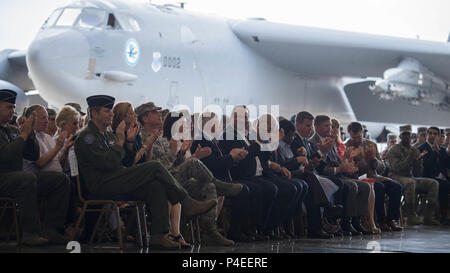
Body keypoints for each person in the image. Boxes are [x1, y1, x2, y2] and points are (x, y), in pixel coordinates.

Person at [74, 95, 217, 250]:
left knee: (156, 185)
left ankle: (159, 235)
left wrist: (128, 142)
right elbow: (107, 164)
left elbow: (126, 163)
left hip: (116, 179)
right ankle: (187, 202)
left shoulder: (107, 134)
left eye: (111, 111)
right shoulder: (87, 136)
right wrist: (121, 142)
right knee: (154, 166)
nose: (111, 114)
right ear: (94, 113)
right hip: (101, 184)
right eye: (107, 111)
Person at [136, 102, 240, 246]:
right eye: (155, 112)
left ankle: (211, 233)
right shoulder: (142, 138)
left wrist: (181, 153)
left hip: (175, 179)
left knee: (209, 186)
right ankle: (219, 185)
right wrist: (175, 153)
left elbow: (174, 165)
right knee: (192, 164)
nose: (160, 115)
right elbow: (157, 168)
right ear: (145, 118)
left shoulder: (160, 139)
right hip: (161, 182)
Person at [0, 90, 71, 245]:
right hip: (3, 177)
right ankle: (30, 233)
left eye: (13, 107)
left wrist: (30, 135)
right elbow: (5, 155)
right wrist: (24, 135)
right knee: (26, 178)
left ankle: (52, 229)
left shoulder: (12, 130)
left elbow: (32, 155)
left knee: (60, 180)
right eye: (8, 107)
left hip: (16, 177)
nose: (12, 111)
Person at [191, 112, 255, 242]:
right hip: (210, 178)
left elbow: (221, 161)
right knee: (243, 190)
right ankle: (234, 231)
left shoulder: (212, 140)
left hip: (221, 177)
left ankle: (247, 229)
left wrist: (235, 158)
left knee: (247, 189)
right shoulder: (201, 140)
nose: (220, 126)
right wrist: (231, 157)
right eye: (218, 123)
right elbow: (212, 164)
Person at [309, 115, 372, 235]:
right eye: (326, 125)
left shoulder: (329, 140)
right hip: (325, 176)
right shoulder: (313, 142)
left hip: (337, 174)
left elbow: (337, 161)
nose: (330, 128)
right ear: (317, 127)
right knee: (351, 186)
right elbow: (319, 168)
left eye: (330, 126)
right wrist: (339, 169)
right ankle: (344, 222)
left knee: (365, 186)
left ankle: (356, 221)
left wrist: (346, 164)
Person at [345, 122, 403, 232]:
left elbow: (382, 168)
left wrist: (374, 160)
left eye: (359, 137)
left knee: (397, 187)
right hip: (359, 179)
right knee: (379, 188)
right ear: (350, 134)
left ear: (363, 133)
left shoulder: (371, 144)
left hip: (375, 176)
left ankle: (391, 219)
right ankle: (381, 221)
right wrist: (365, 160)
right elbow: (350, 170)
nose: (357, 140)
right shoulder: (347, 147)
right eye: (354, 137)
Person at [387, 125, 440, 226]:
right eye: (404, 134)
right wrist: (410, 158)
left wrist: (418, 162)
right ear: (400, 136)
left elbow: (416, 172)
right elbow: (396, 168)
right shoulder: (394, 149)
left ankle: (428, 215)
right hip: (396, 176)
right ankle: (411, 214)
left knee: (433, 183)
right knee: (410, 182)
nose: (407, 136)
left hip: (409, 176)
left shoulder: (414, 150)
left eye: (408, 134)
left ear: (411, 135)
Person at [418, 127, 450, 225]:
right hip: (428, 177)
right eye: (430, 133)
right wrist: (435, 153)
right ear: (427, 134)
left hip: (442, 177)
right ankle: (443, 214)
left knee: (445, 183)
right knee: (444, 185)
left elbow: (447, 165)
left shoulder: (442, 149)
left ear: (439, 136)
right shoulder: (421, 148)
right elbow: (426, 166)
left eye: (435, 134)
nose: (432, 135)